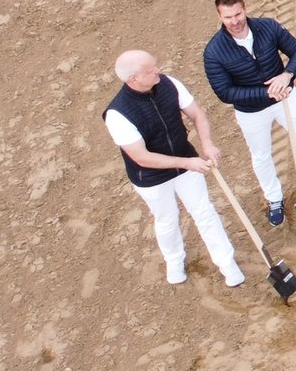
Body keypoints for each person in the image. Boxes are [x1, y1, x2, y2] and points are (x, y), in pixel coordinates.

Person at [104, 50, 244, 287]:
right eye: (150, 70)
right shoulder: (117, 114)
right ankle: (174, 260)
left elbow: (197, 114)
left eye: (155, 65)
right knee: (167, 218)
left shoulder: (169, 83)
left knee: (204, 212)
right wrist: (187, 162)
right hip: (150, 176)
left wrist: (207, 144)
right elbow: (142, 157)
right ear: (133, 79)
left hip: (185, 160)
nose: (157, 71)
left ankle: (227, 264)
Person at [202, 0, 296, 226]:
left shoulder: (267, 27)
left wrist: (287, 75)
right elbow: (224, 92)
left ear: (245, 8)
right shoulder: (214, 52)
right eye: (228, 17)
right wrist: (266, 92)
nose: (235, 21)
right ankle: (274, 198)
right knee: (261, 155)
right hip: (251, 111)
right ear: (219, 16)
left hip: (287, 95)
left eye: (238, 14)